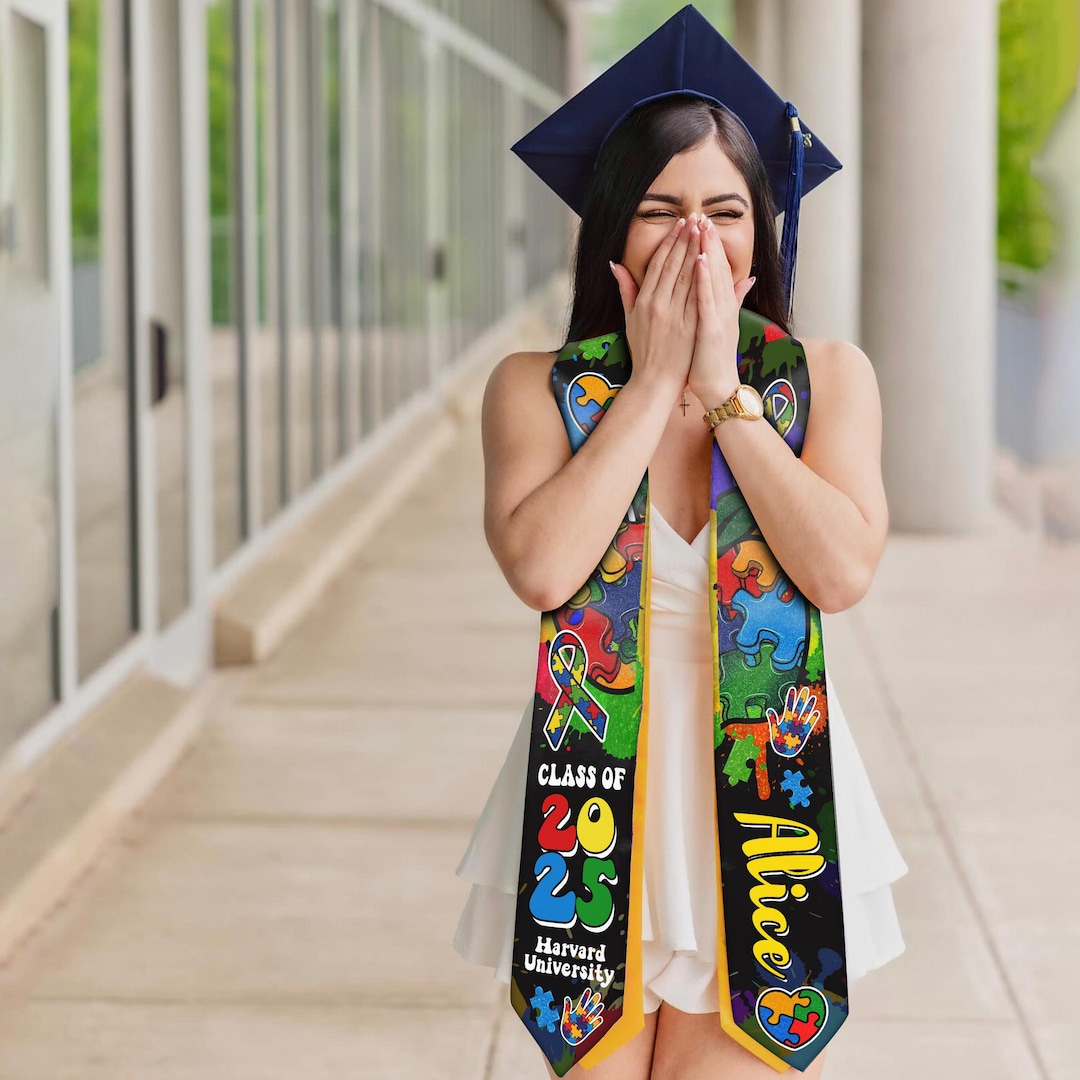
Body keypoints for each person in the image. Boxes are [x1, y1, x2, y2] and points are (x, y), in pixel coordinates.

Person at [454, 7, 908, 1079]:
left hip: (769, 803)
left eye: (725, 209)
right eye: (659, 210)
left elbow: (840, 574)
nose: (695, 237)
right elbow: (542, 568)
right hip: (594, 795)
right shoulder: (537, 392)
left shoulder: (827, 382)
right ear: (611, 232)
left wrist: (722, 399)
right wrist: (653, 383)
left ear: (763, 233)